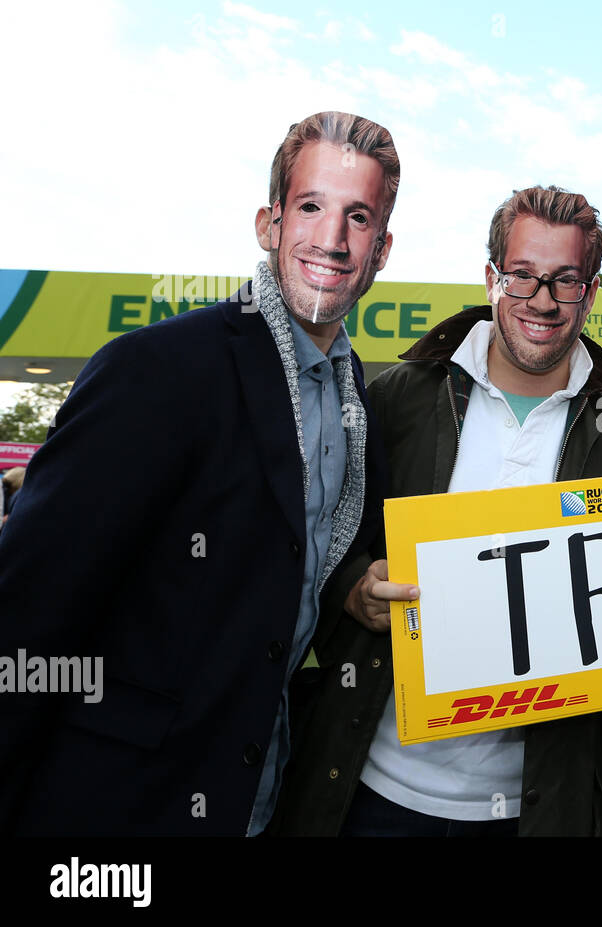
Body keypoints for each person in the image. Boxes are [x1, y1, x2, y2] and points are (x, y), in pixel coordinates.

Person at [0, 112, 396, 835]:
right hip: (116, 808)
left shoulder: (352, 397)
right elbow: (27, 610)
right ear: (267, 224)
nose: (332, 240)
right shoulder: (159, 368)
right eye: (310, 207)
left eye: (358, 216)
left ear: (383, 248)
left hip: (255, 795)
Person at [272, 185, 602, 837]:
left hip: (532, 808)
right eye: (523, 275)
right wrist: (354, 585)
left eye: (565, 280)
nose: (542, 300)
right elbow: (318, 538)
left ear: (592, 290)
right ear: (493, 277)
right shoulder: (399, 398)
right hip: (373, 790)